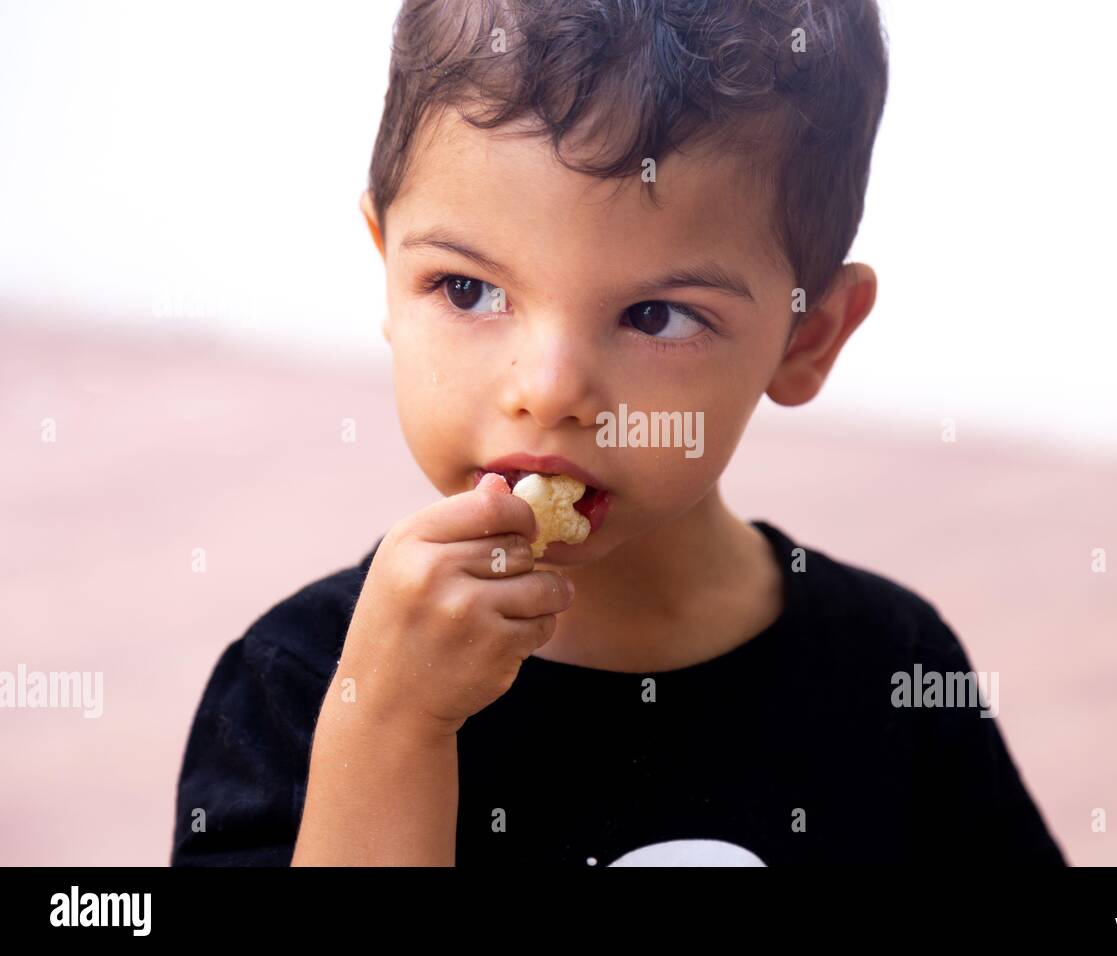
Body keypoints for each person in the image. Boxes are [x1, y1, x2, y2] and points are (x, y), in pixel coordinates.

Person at [171, 0, 1066, 866]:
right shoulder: (298, 688)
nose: (548, 391)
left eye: (654, 315)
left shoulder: (891, 669)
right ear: (385, 270)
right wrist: (393, 729)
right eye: (467, 290)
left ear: (808, 337)